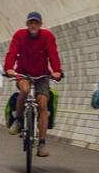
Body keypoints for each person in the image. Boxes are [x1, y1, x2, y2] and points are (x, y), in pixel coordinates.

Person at [4, 11, 64, 155]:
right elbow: (12, 53)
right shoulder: (19, 35)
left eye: (36, 22)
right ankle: (18, 120)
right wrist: (9, 68)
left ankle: (41, 144)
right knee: (24, 90)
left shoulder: (47, 36)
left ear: (40, 24)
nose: (33, 25)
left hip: (42, 75)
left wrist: (57, 71)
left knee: (43, 103)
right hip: (23, 72)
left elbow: (53, 54)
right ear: (26, 24)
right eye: (30, 22)